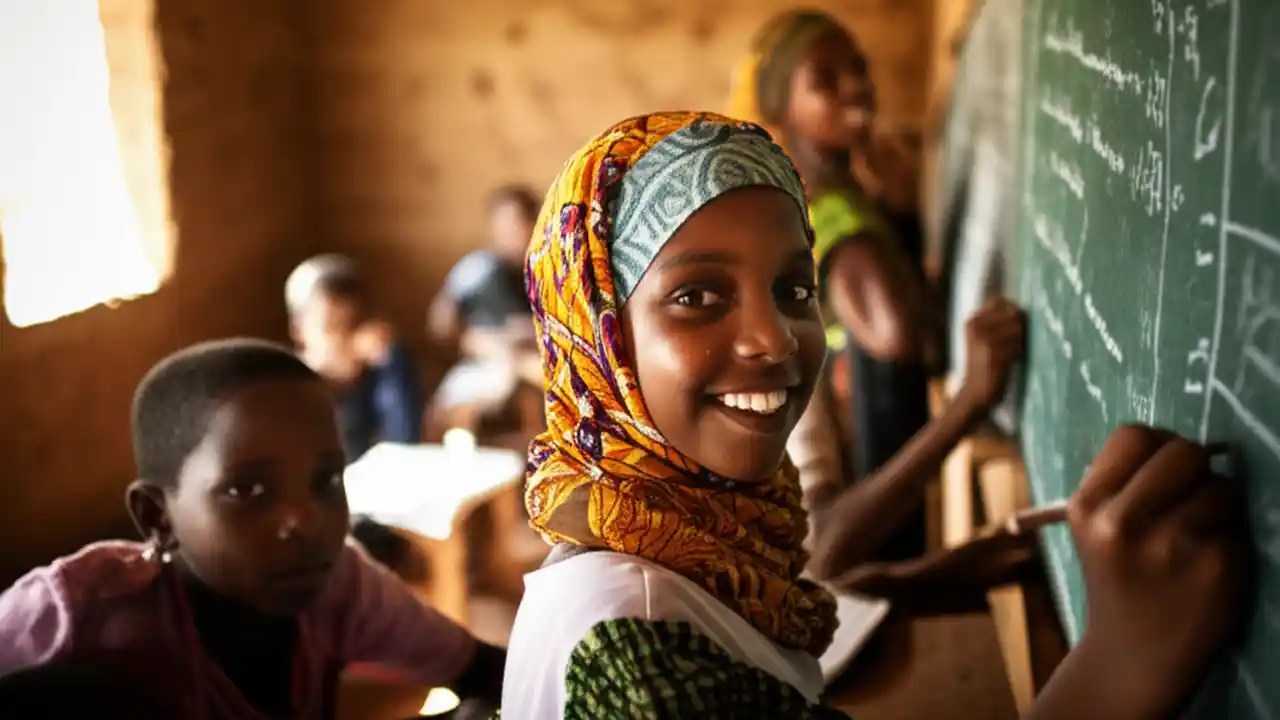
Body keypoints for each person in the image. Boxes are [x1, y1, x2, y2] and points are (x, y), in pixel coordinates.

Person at [498, 112, 1247, 719]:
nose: (774, 339)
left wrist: (903, 583)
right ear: (597, 340)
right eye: (698, 296)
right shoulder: (636, 653)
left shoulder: (676, 540)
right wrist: (1124, 656)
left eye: (794, 290)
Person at [0, 340, 504, 718]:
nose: (304, 519)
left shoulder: (337, 582)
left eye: (325, 479)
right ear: (158, 517)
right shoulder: (75, 611)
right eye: (247, 491)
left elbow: (476, 668)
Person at [729, 10, 936, 559]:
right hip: (868, 477)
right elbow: (896, 336)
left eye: (858, 68)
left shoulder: (800, 199)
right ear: (781, 108)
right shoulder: (834, 210)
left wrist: (899, 210)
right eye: (825, 79)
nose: (856, 87)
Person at [427, 186, 543, 440]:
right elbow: (441, 325)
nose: (513, 232)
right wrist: (476, 340)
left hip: (534, 361)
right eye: (505, 223)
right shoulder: (479, 270)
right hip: (489, 362)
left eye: (520, 221)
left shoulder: (546, 269)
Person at [286, 254, 423, 461]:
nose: (344, 340)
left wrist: (393, 358)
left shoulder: (379, 375)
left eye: (353, 325)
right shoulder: (290, 391)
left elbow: (404, 446)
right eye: (331, 327)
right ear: (298, 329)